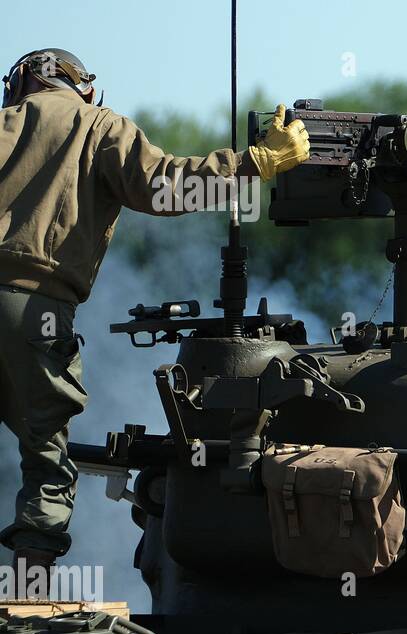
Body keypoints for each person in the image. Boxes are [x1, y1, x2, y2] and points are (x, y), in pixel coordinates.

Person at [0, 48, 311, 585]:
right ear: (85, 88)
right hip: (31, 309)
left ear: (20, 84)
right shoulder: (98, 126)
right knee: (46, 462)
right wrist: (255, 163)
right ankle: (27, 607)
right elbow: (168, 187)